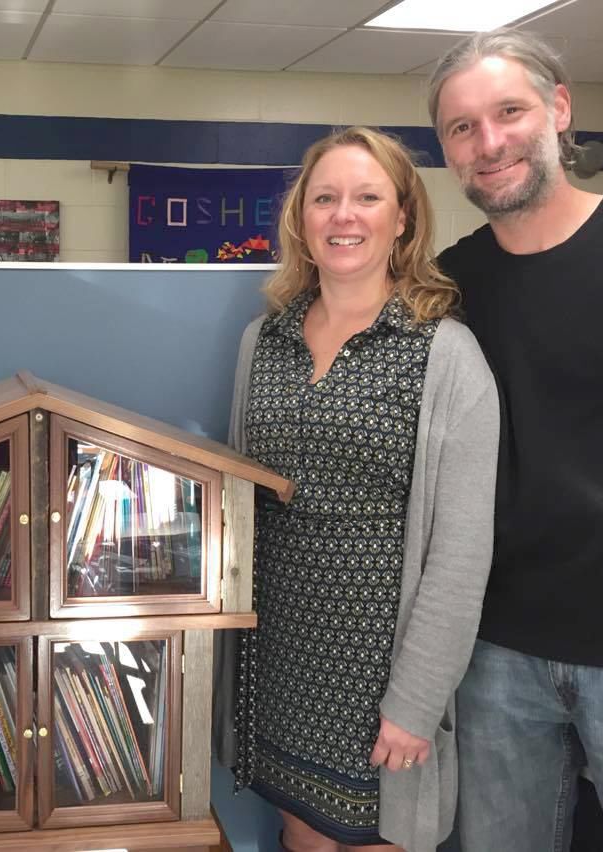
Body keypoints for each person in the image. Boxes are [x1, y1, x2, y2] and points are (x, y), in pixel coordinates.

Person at [225, 127, 499, 852]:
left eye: (367, 198)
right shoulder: (264, 341)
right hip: (279, 664)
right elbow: (242, 503)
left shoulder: (444, 353)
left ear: (402, 217)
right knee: (300, 836)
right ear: (301, 219)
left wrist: (416, 701)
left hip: (380, 680)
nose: (343, 215)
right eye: (325, 199)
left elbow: (461, 554)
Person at [430, 29, 603, 852]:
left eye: (509, 112)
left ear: (558, 109)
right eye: (462, 127)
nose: (489, 143)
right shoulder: (448, 288)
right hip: (496, 654)